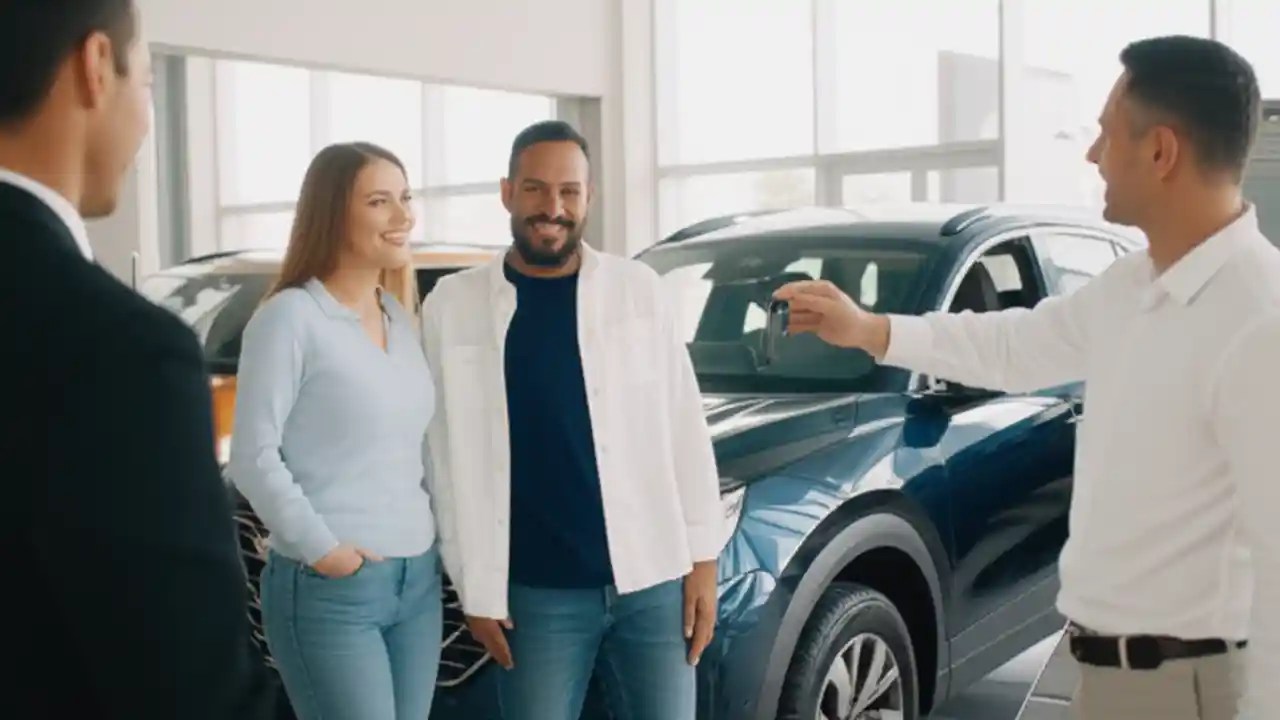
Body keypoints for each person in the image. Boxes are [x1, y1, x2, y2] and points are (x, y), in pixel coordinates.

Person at [776, 35, 1279, 720]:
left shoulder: (1258, 316)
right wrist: (869, 329)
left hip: (1194, 691)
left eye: (1107, 134)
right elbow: (1014, 346)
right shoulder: (1131, 286)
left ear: (1161, 151)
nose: (1093, 155)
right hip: (1108, 676)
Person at [2, 1, 275, 717]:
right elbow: (188, 690)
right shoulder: (117, 349)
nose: (146, 121)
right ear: (96, 66)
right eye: (148, 81)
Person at [421, 120, 722, 720]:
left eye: (569, 191)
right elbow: (442, 459)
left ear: (589, 197)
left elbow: (683, 427)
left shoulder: (639, 290)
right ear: (507, 192)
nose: (552, 208)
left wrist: (704, 563)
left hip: (652, 580)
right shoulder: (452, 305)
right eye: (535, 189)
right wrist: (472, 585)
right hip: (534, 596)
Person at [228, 142, 442, 720]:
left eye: (405, 198)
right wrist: (325, 551)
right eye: (379, 201)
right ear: (332, 213)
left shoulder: (398, 317)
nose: (402, 216)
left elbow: (416, 450)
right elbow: (252, 455)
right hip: (333, 588)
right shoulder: (290, 317)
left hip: (417, 583)